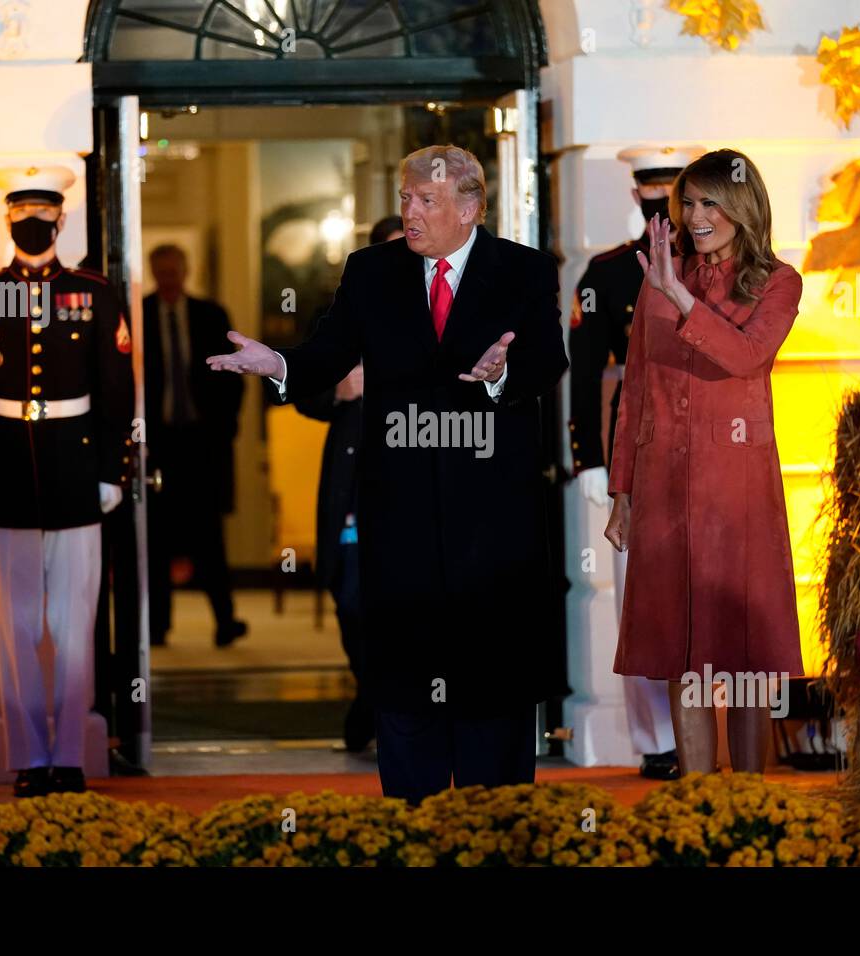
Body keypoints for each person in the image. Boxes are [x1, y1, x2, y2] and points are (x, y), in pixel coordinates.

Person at [208, 145, 568, 804]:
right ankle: (412, 831)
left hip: (493, 526)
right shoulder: (371, 271)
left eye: (425, 200)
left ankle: (495, 831)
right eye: (405, 198)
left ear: (470, 206)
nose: (410, 211)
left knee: (491, 695)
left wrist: (502, 376)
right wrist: (279, 365)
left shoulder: (522, 271)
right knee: (407, 694)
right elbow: (327, 352)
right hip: (400, 519)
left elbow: (547, 361)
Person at [604, 148, 803, 776]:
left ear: (742, 206)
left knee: (745, 658)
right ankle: (696, 803)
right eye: (687, 203)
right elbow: (634, 390)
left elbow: (746, 356)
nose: (694, 216)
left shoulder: (778, 280)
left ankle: (750, 807)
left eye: (708, 202)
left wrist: (680, 298)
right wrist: (622, 493)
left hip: (736, 495)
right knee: (682, 654)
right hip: (663, 490)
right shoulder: (662, 274)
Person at [0, 165, 134, 797]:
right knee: (15, 624)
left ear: (59, 219)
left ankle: (70, 756)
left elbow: (115, 392)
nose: (32, 223)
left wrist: (113, 471)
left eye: (42, 214)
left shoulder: (96, 293)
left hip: (78, 469)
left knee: (75, 623)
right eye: (21, 213)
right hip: (3, 471)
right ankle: (27, 757)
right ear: (9, 221)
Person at [569, 145, 701, 781]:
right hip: (638, 445)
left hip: (705, 442)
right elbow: (586, 368)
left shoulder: (719, 265)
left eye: (669, 198)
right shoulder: (605, 274)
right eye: (651, 198)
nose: (661, 210)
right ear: (636, 197)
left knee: (709, 593)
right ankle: (658, 740)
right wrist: (588, 458)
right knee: (638, 599)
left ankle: (707, 732)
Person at [295, 215, 404, 754]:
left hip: (413, 486)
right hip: (354, 486)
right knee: (354, 602)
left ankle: (390, 709)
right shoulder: (342, 315)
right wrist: (338, 392)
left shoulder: (446, 311)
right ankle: (372, 692)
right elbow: (300, 389)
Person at [143, 244, 246, 648]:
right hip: (158, 442)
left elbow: (234, 375)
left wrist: (224, 430)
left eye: (174, 269)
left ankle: (225, 620)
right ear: (154, 272)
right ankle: (158, 626)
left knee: (209, 537)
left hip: (202, 442)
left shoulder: (211, 315)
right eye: (162, 270)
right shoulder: (141, 314)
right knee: (157, 537)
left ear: (186, 270)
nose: (169, 277)